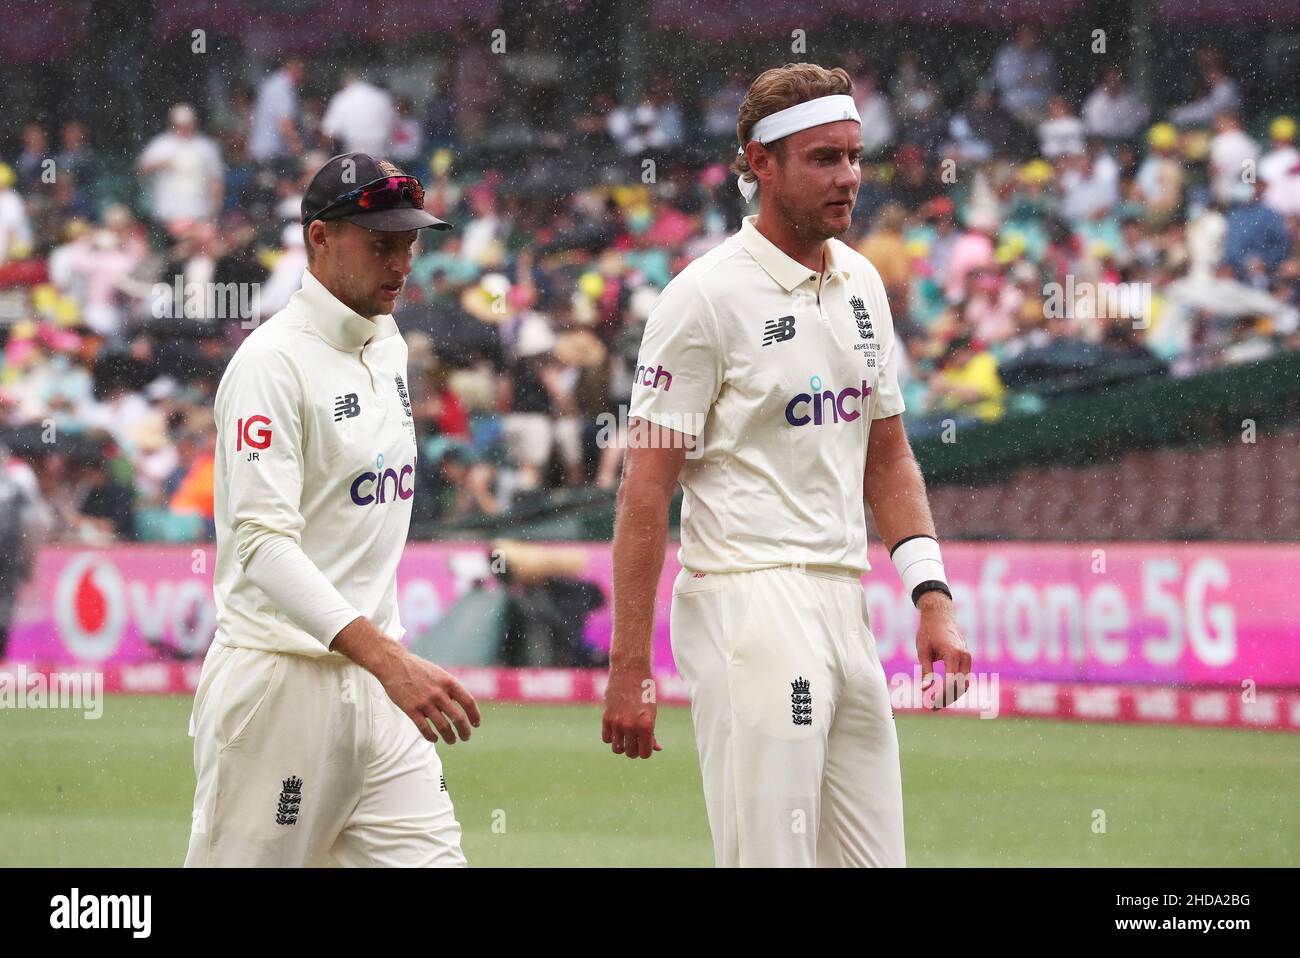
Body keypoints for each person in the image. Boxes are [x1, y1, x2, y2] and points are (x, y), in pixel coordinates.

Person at [601, 62, 971, 868]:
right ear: (759, 163)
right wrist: (630, 664)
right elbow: (646, 492)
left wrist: (932, 595)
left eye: (853, 156)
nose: (848, 179)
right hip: (748, 602)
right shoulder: (701, 298)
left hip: (846, 600)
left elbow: (889, 456)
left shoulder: (863, 281)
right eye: (823, 159)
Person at [185, 153, 479, 868]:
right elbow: (260, 544)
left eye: (410, 241)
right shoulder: (270, 365)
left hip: (381, 692)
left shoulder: (387, 342)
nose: (403, 261)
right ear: (320, 238)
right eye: (382, 243)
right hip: (280, 691)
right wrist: (389, 659)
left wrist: (385, 661)